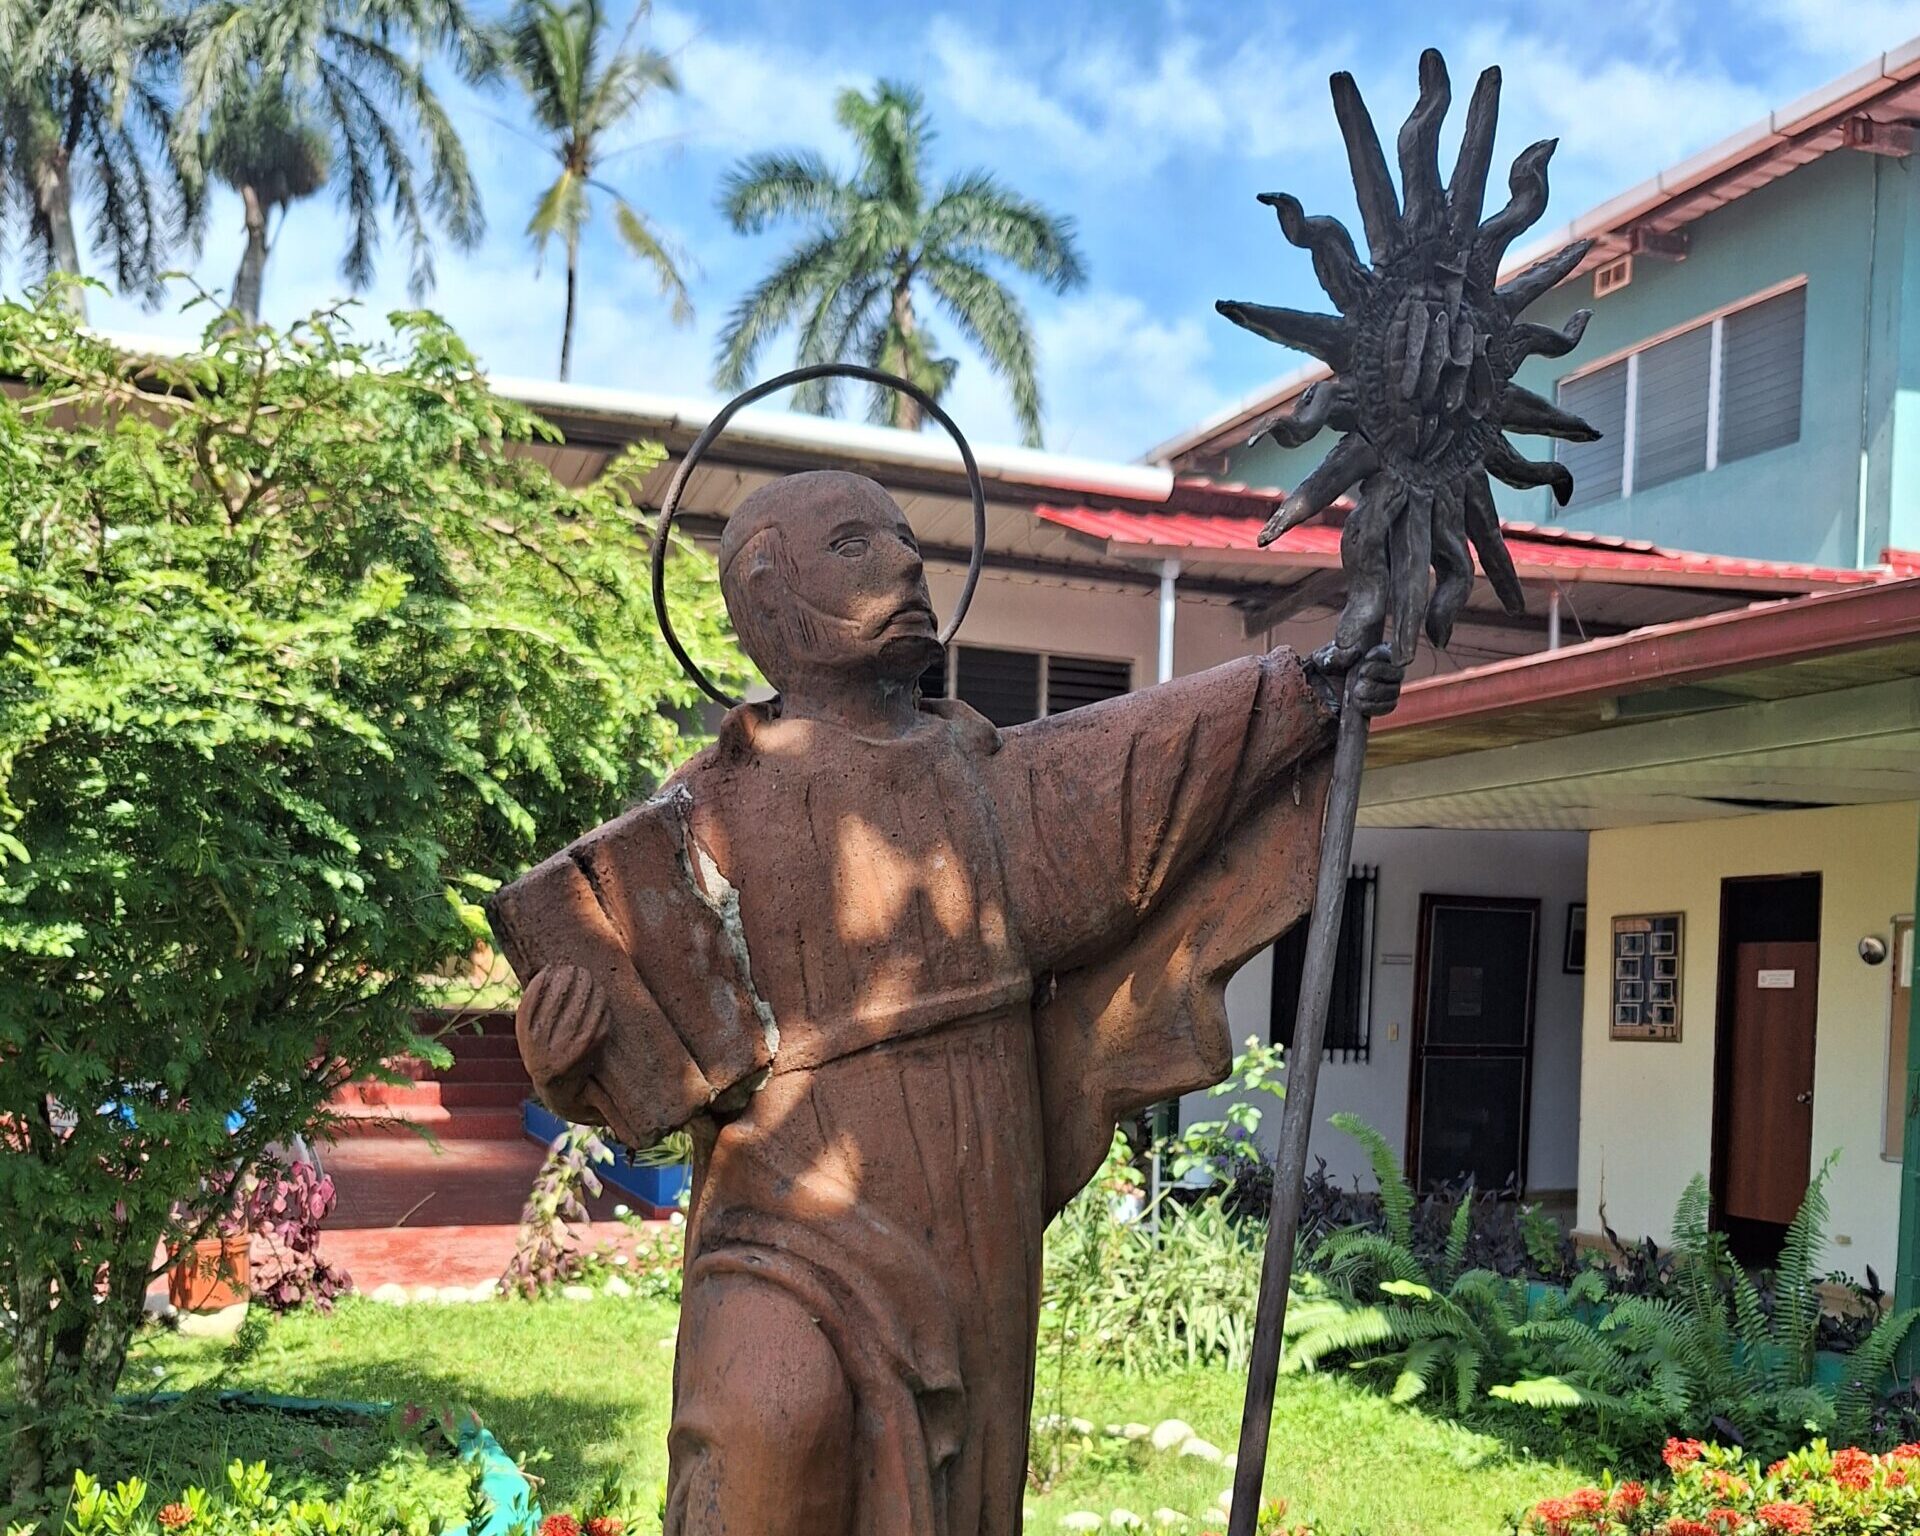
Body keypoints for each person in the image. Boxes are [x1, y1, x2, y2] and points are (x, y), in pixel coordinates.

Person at [487, 470, 1401, 1536]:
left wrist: (1311, 690)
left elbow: (1147, 762)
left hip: (970, 1179)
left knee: (958, 1495)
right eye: (854, 546)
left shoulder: (981, 773)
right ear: (769, 594)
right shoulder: (708, 803)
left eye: (907, 540)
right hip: (780, 1195)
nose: (907, 560)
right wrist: (568, 1060)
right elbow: (645, 1028)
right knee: (767, 1419)